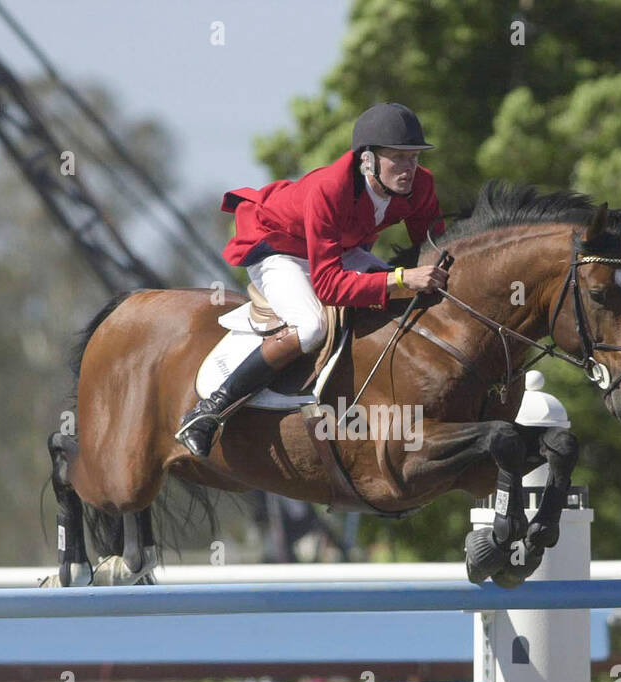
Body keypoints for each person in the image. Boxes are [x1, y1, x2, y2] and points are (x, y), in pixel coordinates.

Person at [175, 102, 450, 458]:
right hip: (279, 247)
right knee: (310, 326)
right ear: (367, 160)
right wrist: (399, 278)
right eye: (398, 157)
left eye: (414, 157)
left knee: (407, 295)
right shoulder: (330, 189)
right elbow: (329, 287)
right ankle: (209, 411)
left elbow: (434, 246)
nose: (409, 168)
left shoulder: (420, 185)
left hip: (339, 248)